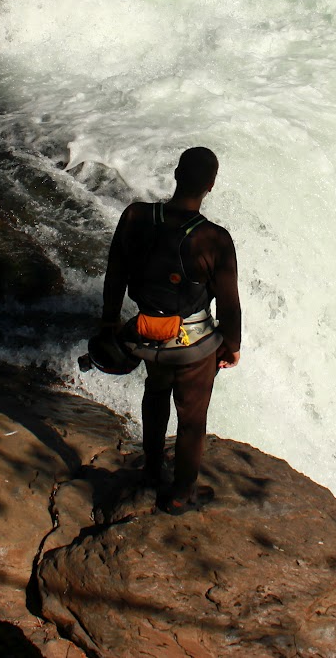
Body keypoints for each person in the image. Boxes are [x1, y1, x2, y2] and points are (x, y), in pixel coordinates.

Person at [100, 147, 242, 515]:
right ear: (210, 185)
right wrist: (232, 344)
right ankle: (181, 494)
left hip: (147, 336)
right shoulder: (214, 239)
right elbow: (228, 304)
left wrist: (109, 321)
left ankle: (151, 469)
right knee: (192, 418)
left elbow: (115, 274)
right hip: (194, 346)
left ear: (176, 174)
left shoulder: (135, 216)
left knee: (156, 392)